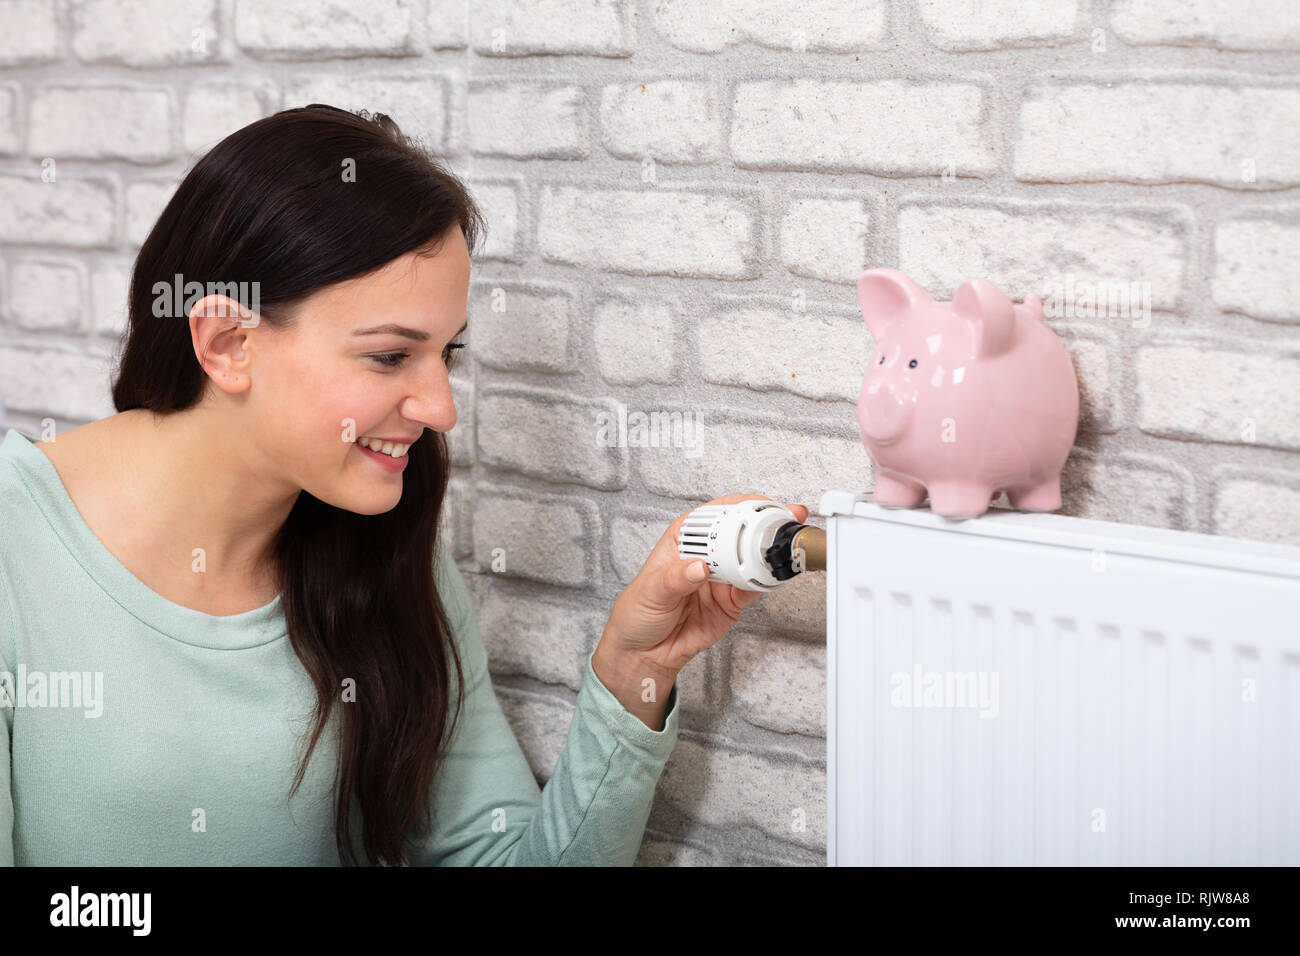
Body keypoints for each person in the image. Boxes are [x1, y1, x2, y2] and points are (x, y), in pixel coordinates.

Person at [0, 104, 808, 866]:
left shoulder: (379, 550)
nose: (442, 409)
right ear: (227, 341)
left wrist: (636, 669)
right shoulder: (15, 547)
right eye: (391, 356)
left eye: (446, 354)